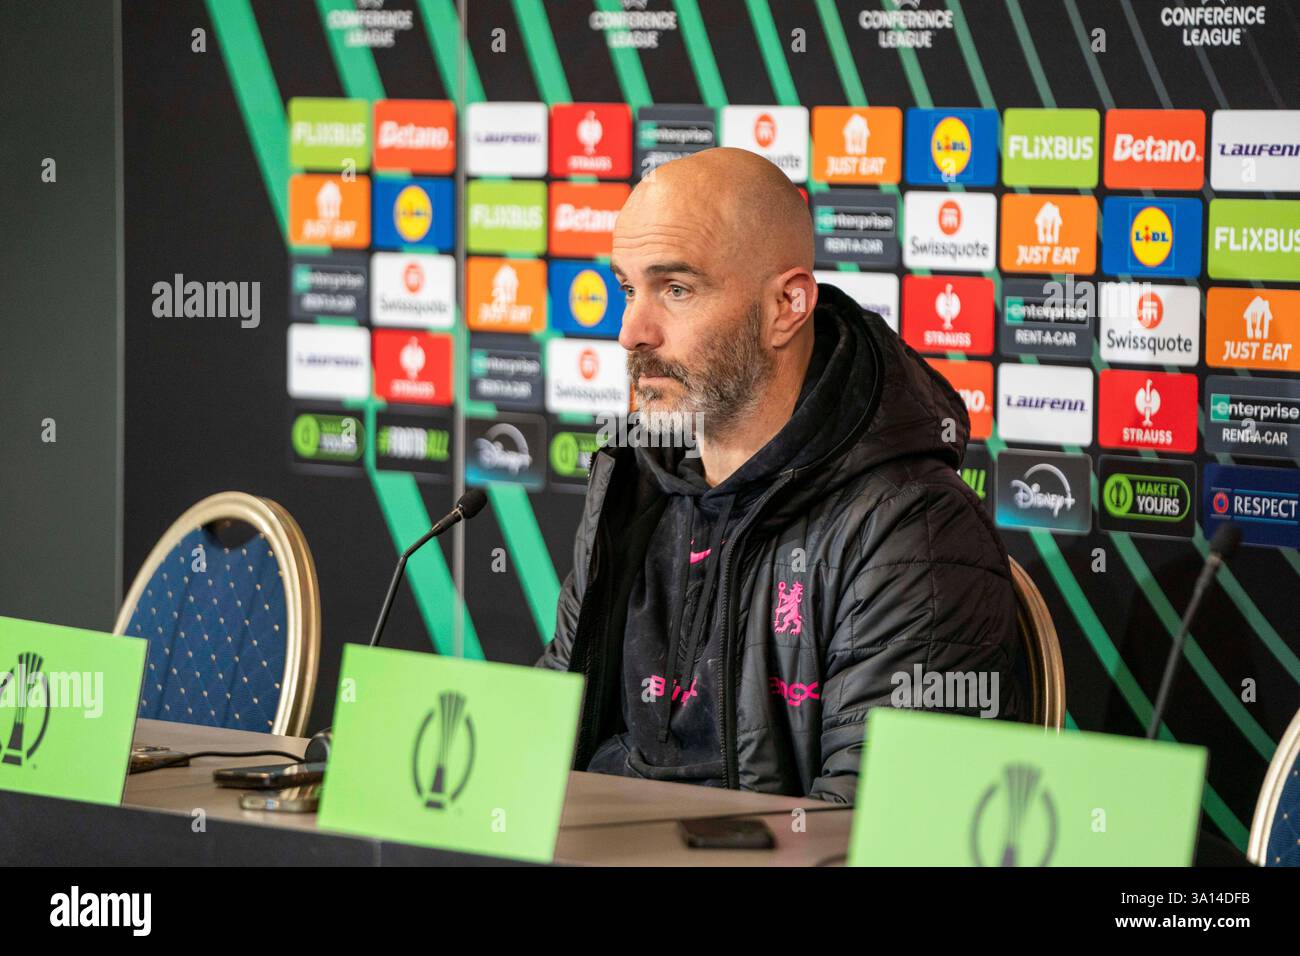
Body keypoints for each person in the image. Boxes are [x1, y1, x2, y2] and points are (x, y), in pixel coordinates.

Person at [538, 147, 1022, 802]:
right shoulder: (635, 484)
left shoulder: (913, 531)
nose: (631, 331)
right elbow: (538, 747)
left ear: (786, 306)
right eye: (629, 289)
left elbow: (870, 828)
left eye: (674, 289)